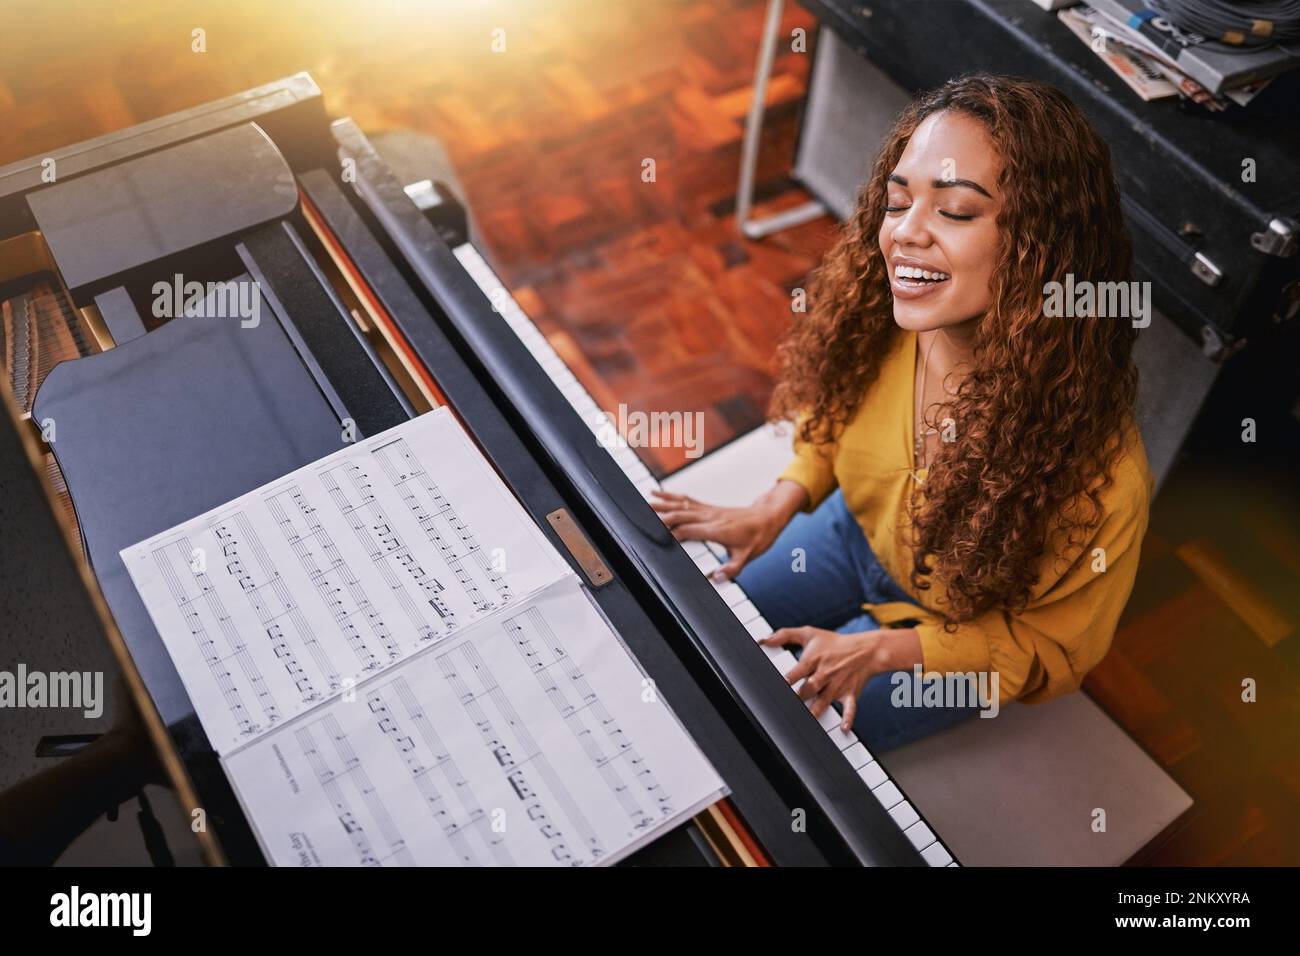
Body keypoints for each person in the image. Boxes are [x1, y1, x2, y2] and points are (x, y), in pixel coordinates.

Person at [652, 74, 1152, 753]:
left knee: (773, 736)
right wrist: (777, 502)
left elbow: (1048, 649)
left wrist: (885, 649)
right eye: (897, 202)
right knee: (689, 623)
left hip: (956, 636)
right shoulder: (883, 322)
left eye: (956, 211)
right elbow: (834, 415)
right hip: (851, 534)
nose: (905, 233)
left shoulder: (1109, 481)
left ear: (1043, 247)